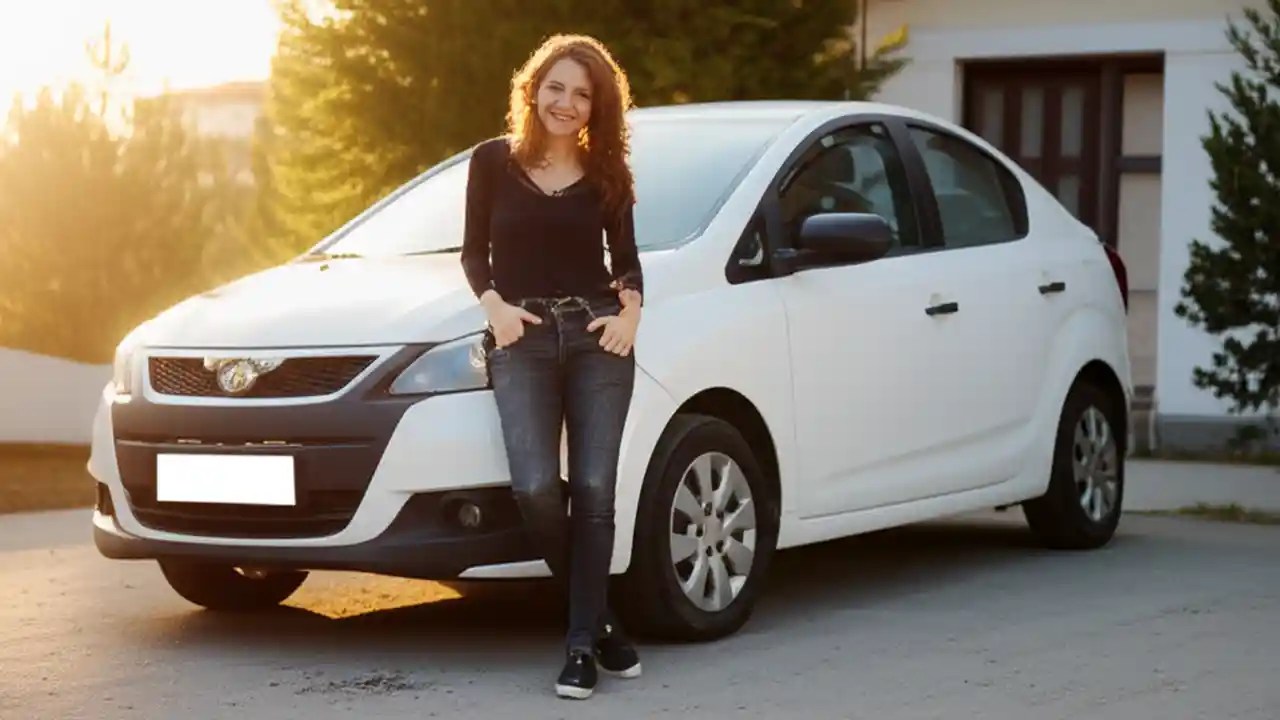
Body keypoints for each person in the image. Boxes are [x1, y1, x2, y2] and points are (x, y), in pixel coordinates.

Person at [459, 33, 645, 700]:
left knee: (595, 490)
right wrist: (494, 309)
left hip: (597, 337)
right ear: (533, 88)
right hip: (523, 338)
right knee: (536, 486)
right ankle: (602, 625)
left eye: (582, 94)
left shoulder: (605, 174)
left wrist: (629, 317)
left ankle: (577, 647)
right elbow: (473, 253)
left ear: (598, 108)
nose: (566, 102)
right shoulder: (491, 162)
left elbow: (626, 260)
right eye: (556, 87)